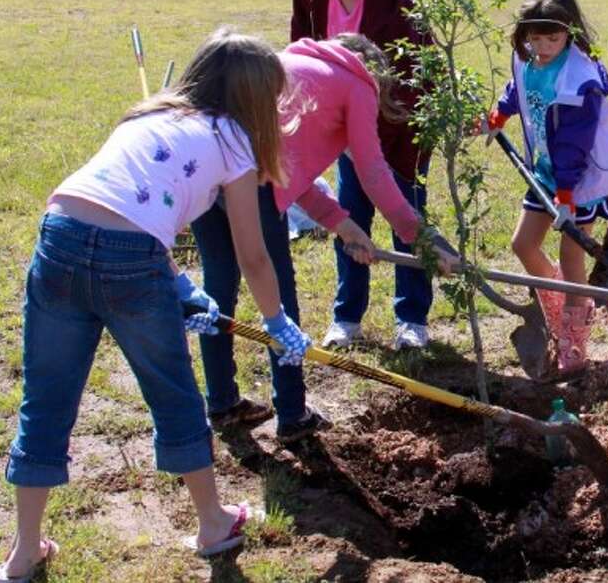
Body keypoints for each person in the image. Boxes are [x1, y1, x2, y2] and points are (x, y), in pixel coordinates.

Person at [0, 29, 306, 578]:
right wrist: (277, 321)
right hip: (131, 258)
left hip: (60, 234)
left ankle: (23, 555)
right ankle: (213, 525)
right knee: (175, 393)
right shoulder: (235, 139)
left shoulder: (147, 114)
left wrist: (179, 284)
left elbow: (120, 203)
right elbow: (252, 255)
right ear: (256, 98)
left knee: (45, 401)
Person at [193, 35, 456, 441]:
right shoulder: (357, 83)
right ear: (373, 68)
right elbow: (372, 173)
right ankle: (293, 414)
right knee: (278, 296)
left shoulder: (293, 62)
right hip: (253, 177)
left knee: (217, 287)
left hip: (207, 165)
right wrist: (418, 237)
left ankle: (222, 403)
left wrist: (343, 223)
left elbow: (293, 174)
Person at [291, 0, 436, 350]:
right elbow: (303, 46)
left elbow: (417, 64)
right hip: (341, 121)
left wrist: (390, 120)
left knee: (406, 213)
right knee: (349, 216)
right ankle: (347, 316)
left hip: (397, 122)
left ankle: (412, 319)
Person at [484, 0, 608, 378]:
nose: (545, 46)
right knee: (524, 243)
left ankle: (574, 344)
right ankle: (557, 307)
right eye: (537, 38)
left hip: (579, 177)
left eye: (554, 37)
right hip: (546, 173)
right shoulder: (528, 59)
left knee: (571, 256)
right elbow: (520, 90)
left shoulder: (580, 81)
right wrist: (499, 116)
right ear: (525, 34)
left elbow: (574, 144)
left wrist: (567, 194)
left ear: (570, 31)